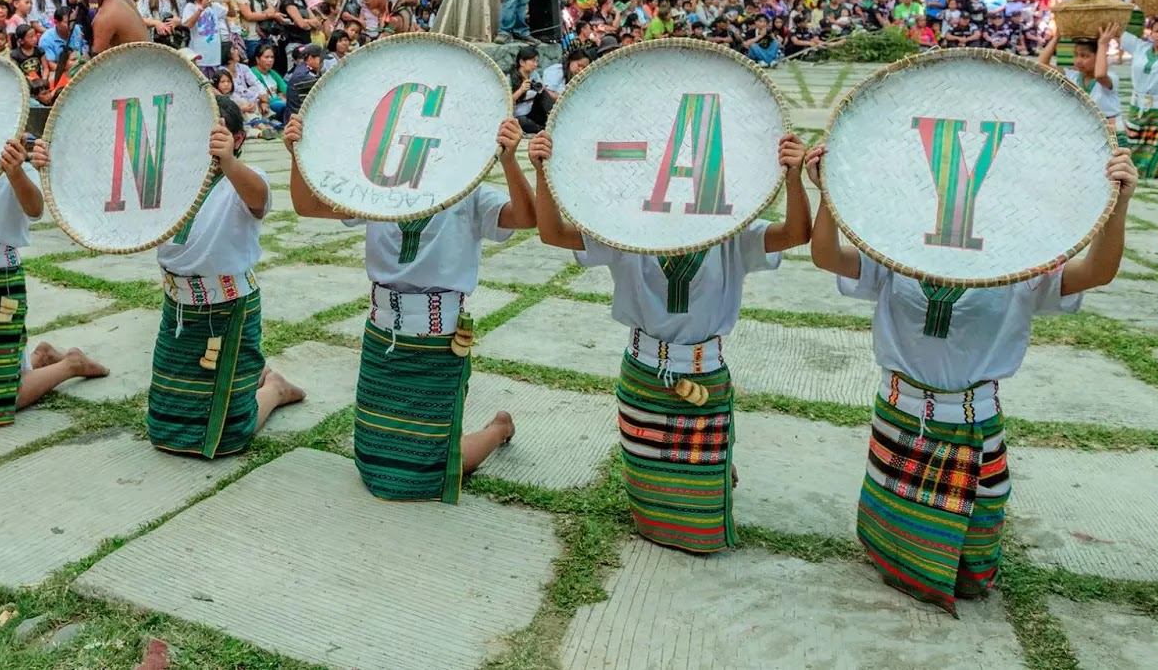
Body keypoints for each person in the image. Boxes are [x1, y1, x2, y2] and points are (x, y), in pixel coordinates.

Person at [806, 142, 1136, 614]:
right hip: (899, 412)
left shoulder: (1023, 260)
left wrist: (1119, 204)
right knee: (893, 526)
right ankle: (896, 557)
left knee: (972, 561)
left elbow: (1096, 272)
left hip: (971, 420)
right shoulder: (895, 245)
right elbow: (828, 258)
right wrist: (826, 194)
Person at [528, 129, 811, 555]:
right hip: (644, 378)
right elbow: (552, 233)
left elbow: (795, 234)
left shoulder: (731, 232)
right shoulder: (625, 229)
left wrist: (794, 177)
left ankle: (718, 464)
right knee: (651, 508)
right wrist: (540, 169)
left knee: (703, 533)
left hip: (705, 378)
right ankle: (711, 469)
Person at [285, 115, 536, 503]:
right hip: (382, 335)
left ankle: (498, 428)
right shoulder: (376, 189)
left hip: (439, 340)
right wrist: (296, 153)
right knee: (373, 462)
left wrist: (509, 160)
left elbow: (527, 217)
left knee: (427, 471)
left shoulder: (470, 193)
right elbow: (307, 205)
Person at [147, 96, 305, 457]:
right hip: (177, 309)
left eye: (217, 133)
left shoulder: (244, 180)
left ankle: (274, 390)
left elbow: (259, 198)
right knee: (163, 428)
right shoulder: (170, 180)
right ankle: (265, 381)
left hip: (229, 307)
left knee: (227, 435)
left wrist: (229, 162)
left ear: (236, 138)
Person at [0, 135, 107, 427]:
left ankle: (70, 364)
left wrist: (15, 172)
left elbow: (35, 209)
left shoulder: (13, 150)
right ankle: (40, 358)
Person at [1038, 23, 1121, 128]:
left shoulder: (1111, 78)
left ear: (1100, 56)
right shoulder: (1072, 76)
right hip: (1085, 129)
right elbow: (1041, 65)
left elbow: (1100, 75)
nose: (1078, 61)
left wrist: (1103, 45)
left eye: (1085, 56)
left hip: (1111, 132)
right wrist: (1056, 37)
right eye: (1076, 55)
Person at [1119, 14, 1158, 178]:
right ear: (1150, 33)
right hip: (1137, 106)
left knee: (1155, 146)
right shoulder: (1140, 47)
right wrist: (1139, 7)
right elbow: (1124, 31)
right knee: (1132, 141)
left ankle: (1155, 172)